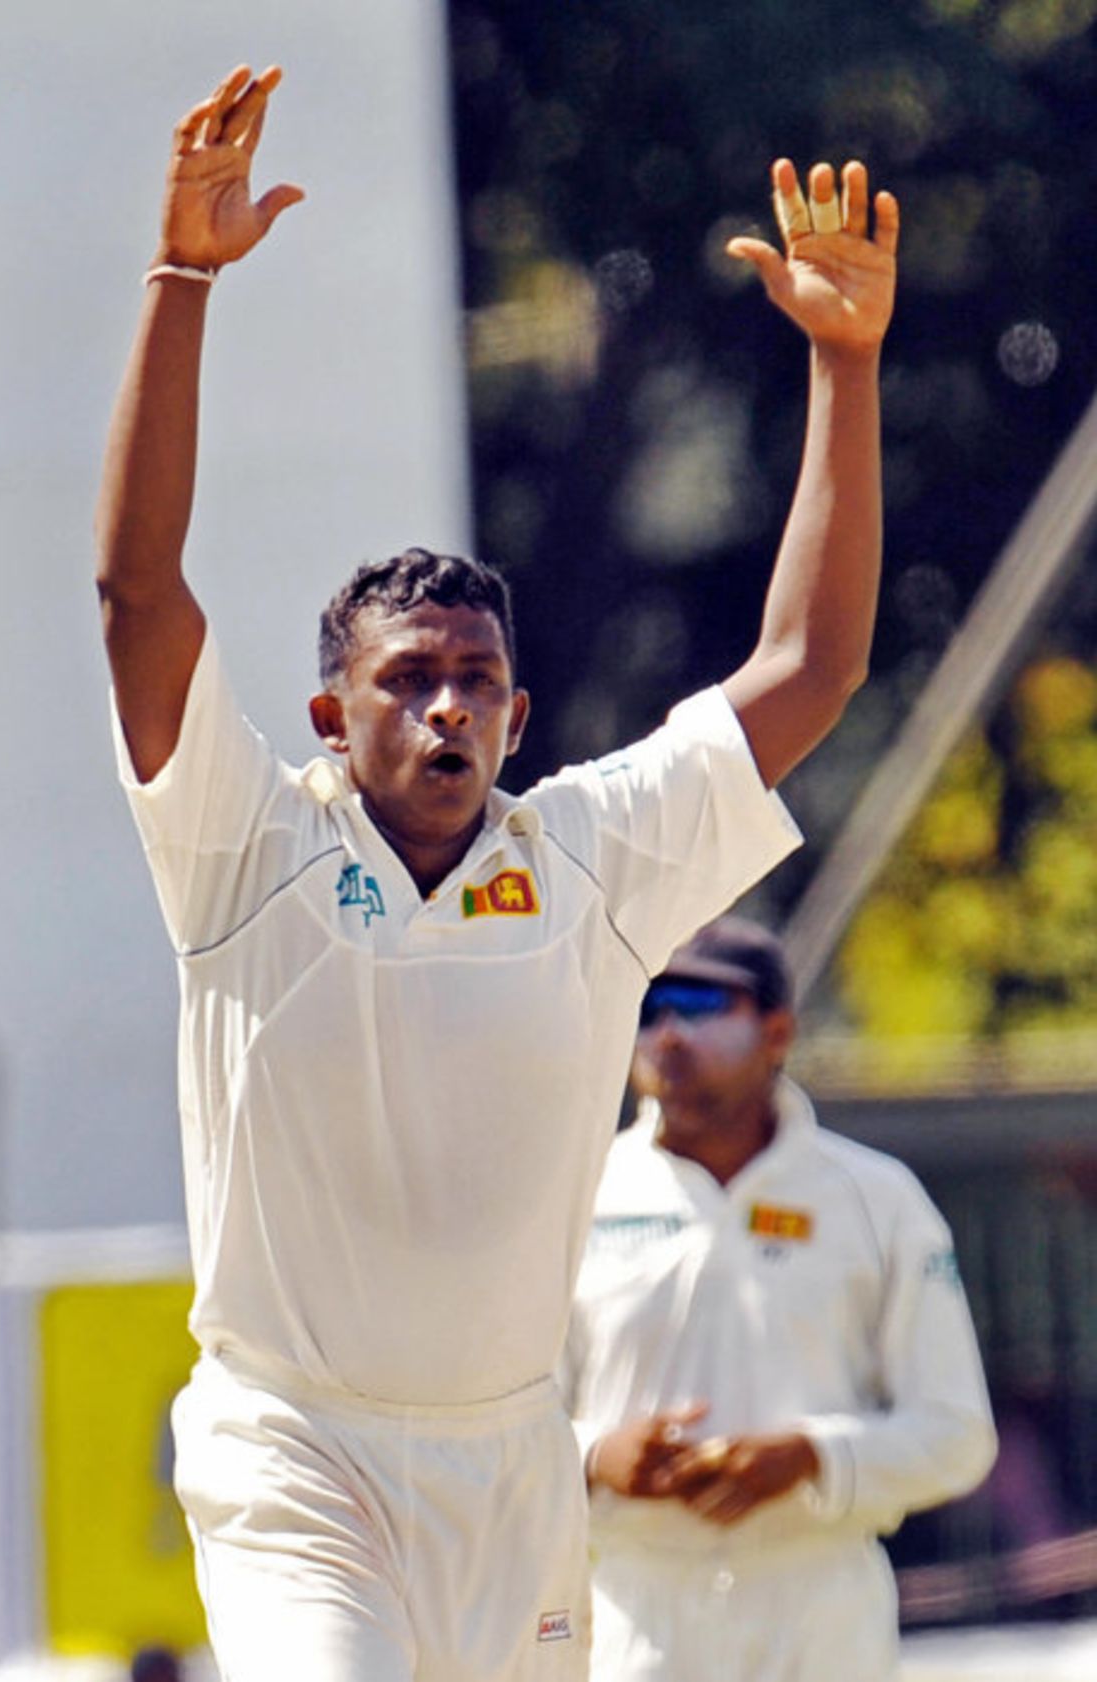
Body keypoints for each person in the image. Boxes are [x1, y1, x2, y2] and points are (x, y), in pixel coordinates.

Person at [95, 62, 898, 1682]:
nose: (447, 705)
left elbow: (810, 667)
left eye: (477, 680)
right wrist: (181, 278)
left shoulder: (589, 853)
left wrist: (844, 363)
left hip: (514, 1467)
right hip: (294, 1450)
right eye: (407, 678)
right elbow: (137, 597)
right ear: (332, 714)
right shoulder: (245, 842)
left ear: (519, 716)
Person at [562, 916, 997, 1682]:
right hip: (632, 1617)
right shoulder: (576, 1197)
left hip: (822, 1617)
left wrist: (812, 1457)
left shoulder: (877, 1198)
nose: (669, 1035)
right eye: (648, 1008)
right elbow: (500, 1427)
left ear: (778, 1031)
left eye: (701, 1005)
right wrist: (598, 1456)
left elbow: (957, 1434)